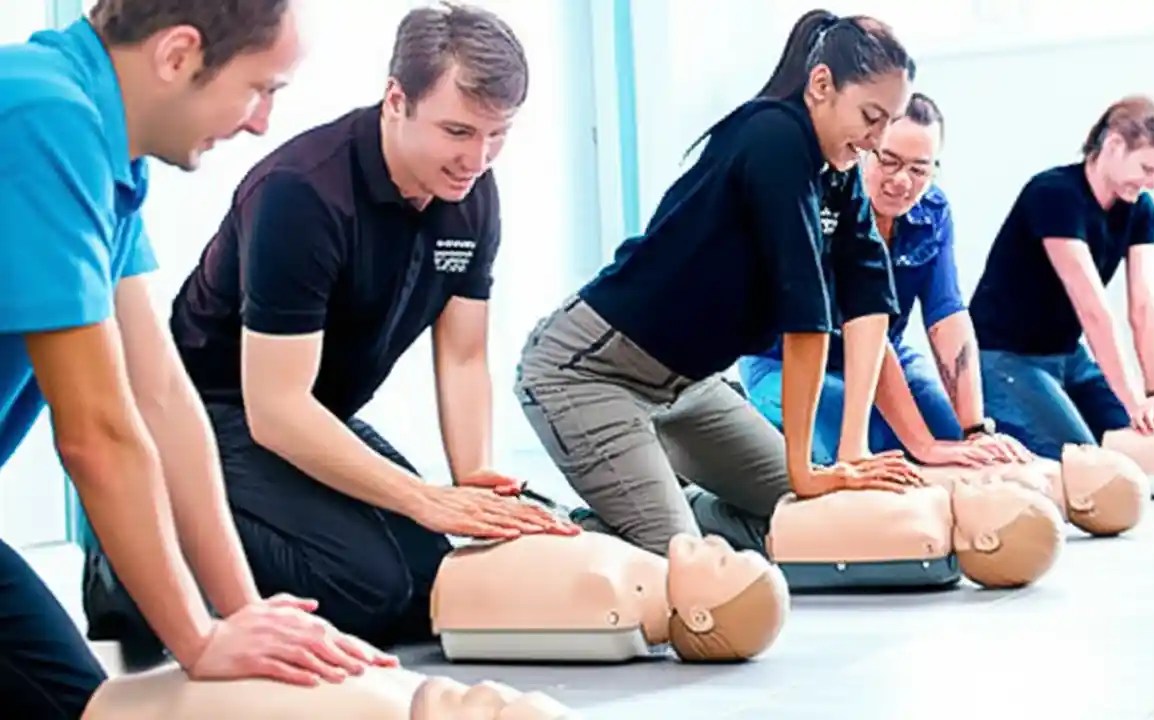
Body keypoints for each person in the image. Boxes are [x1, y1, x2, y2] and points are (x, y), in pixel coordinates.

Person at [80, 2, 578, 656]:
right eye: (458, 131)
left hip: (312, 412)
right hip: (216, 412)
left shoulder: (471, 194)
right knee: (368, 587)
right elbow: (274, 410)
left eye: (497, 134)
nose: (476, 158)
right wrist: (425, 499)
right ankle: (129, 551)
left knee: (432, 579)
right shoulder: (302, 193)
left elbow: (461, 357)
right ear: (396, 99)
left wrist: (474, 477)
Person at [0, 1, 400, 717]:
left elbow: (159, 395)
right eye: (260, 88)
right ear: (178, 54)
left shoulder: (100, 145)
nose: (260, 123)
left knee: (88, 708)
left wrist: (243, 613)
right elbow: (96, 431)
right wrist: (196, 637)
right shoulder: (42, 118)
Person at [513, 10, 923, 558]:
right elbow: (806, 314)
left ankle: (665, 506)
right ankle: (544, 520)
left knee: (814, 523)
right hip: (590, 371)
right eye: (870, 117)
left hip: (687, 388)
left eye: (886, 124)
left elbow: (869, 296)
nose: (875, 143)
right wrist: (804, 469)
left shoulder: (838, 173)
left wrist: (852, 449)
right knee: (685, 564)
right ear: (821, 84)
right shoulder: (773, 137)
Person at [738, 93, 1032, 467]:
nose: (901, 181)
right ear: (865, 148)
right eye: (888, 161)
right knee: (855, 452)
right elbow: (863, 323)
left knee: (957, 443)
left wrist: (974, 429)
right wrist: (923, 446)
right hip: (787, 360)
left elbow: (947, 314)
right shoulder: (827, 209)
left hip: (887, 353)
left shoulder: (933, 212)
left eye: (919, 170)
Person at [967, 95, 1154, 461]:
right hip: (1005, 356)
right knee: (1089, 462)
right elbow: (1093, 310)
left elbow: (1145, 304)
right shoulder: (1054, 194)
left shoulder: (1139, 209)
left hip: (1069, 358)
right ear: (1115, 145)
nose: (1152, 182)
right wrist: (1134, 402)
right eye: (1147, 168)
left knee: (1141, 445)